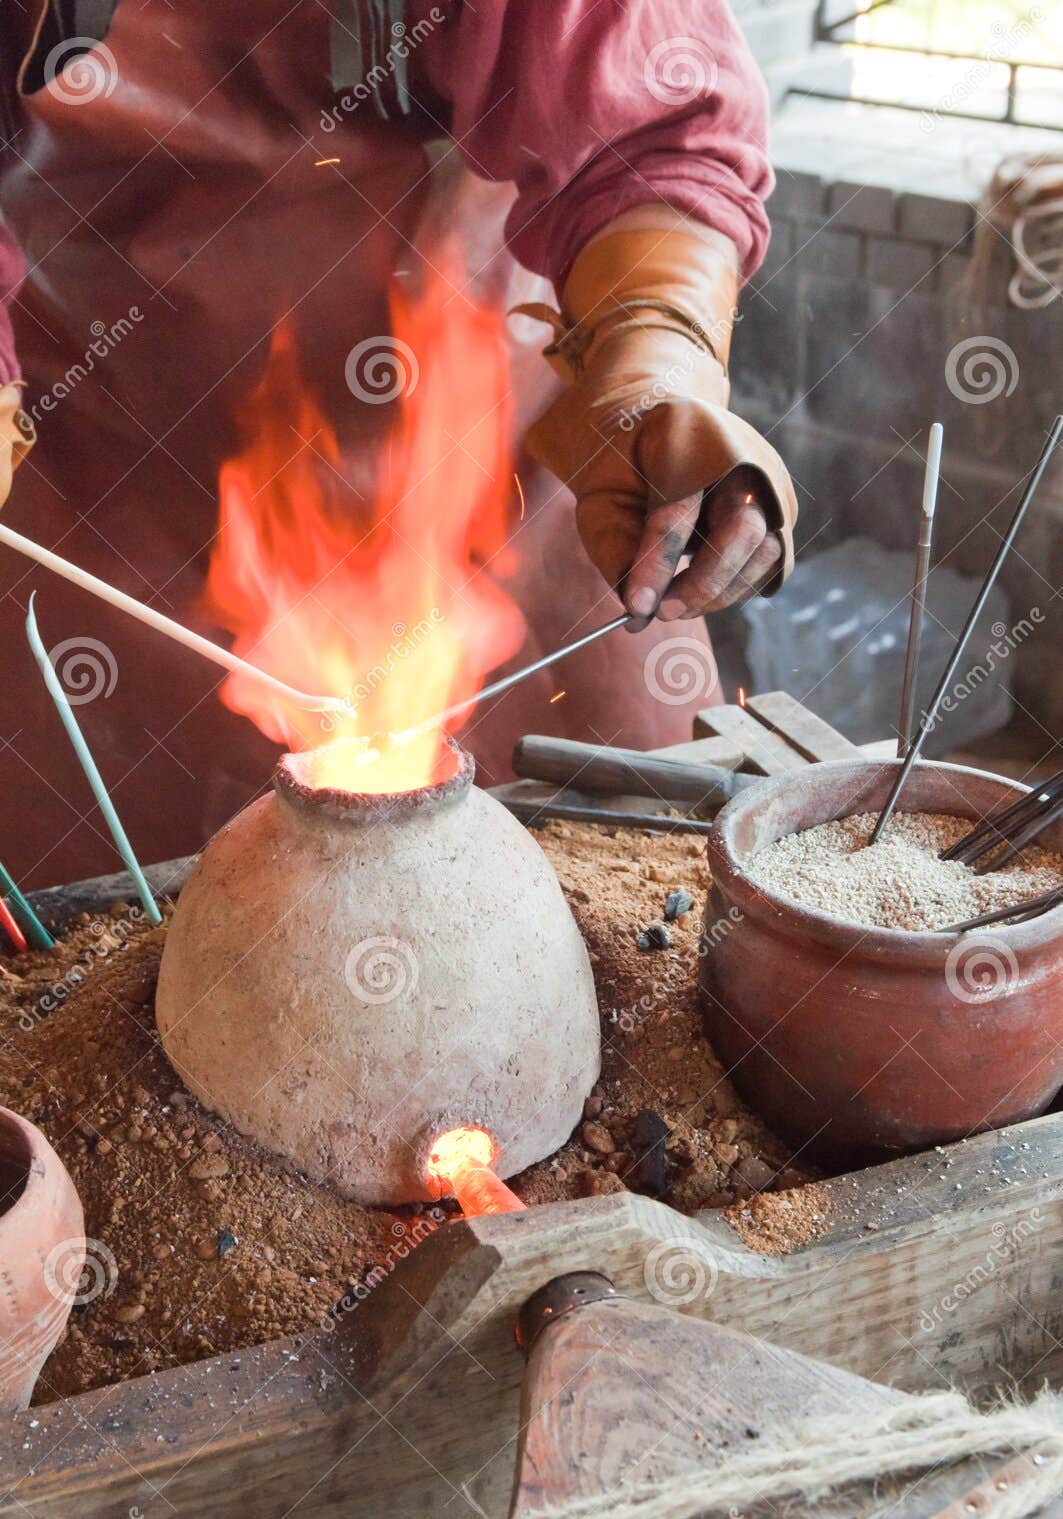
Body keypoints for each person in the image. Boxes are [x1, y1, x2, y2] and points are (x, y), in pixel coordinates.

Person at [0, 1, 794, 886]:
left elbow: (651, 131)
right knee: (117, 975)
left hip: (506, 479)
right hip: (111, 493)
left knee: (625, 911)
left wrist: (654, 356)